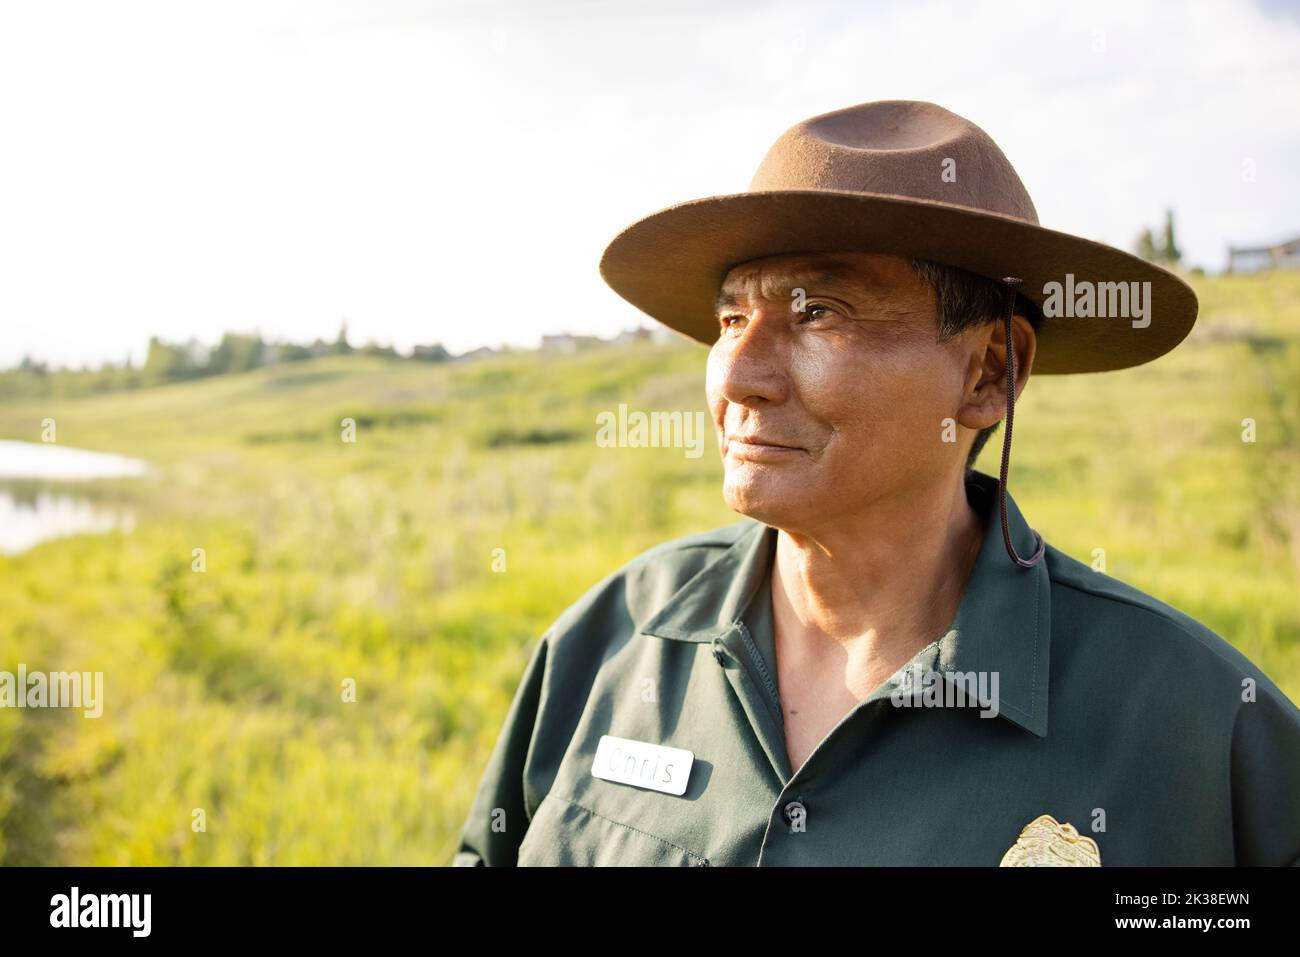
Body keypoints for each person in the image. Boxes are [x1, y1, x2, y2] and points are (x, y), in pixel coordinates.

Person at [452, 100, 1300, 866]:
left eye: (818, 311)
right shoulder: (609, 641)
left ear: (990, 374)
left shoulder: (1197, 728)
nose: (739, 374)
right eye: (731, 318)